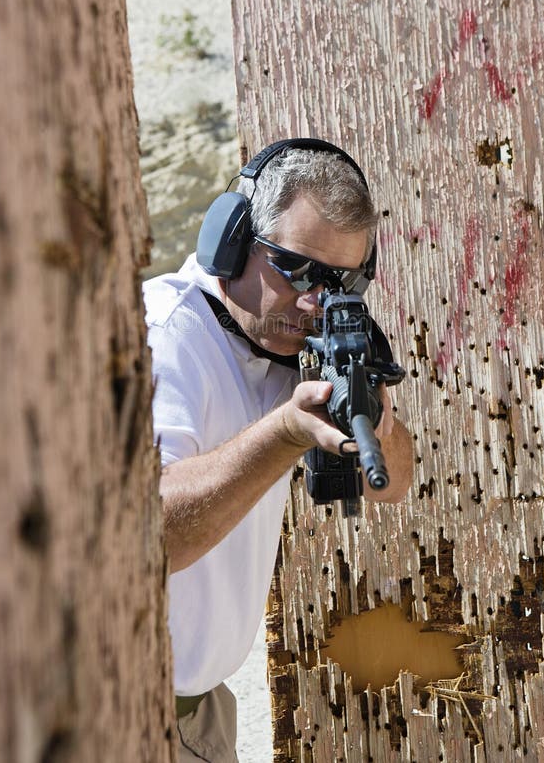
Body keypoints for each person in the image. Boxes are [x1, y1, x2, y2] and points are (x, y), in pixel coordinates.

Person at [143, 138, 414, 762]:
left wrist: (376, 413)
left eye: (343, 279)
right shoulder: (163, 338)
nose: (316, 299)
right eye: (297, 269)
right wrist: (286, 432)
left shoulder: (287, 351)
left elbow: (392, 481)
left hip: (196, 711)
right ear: (231, 242)